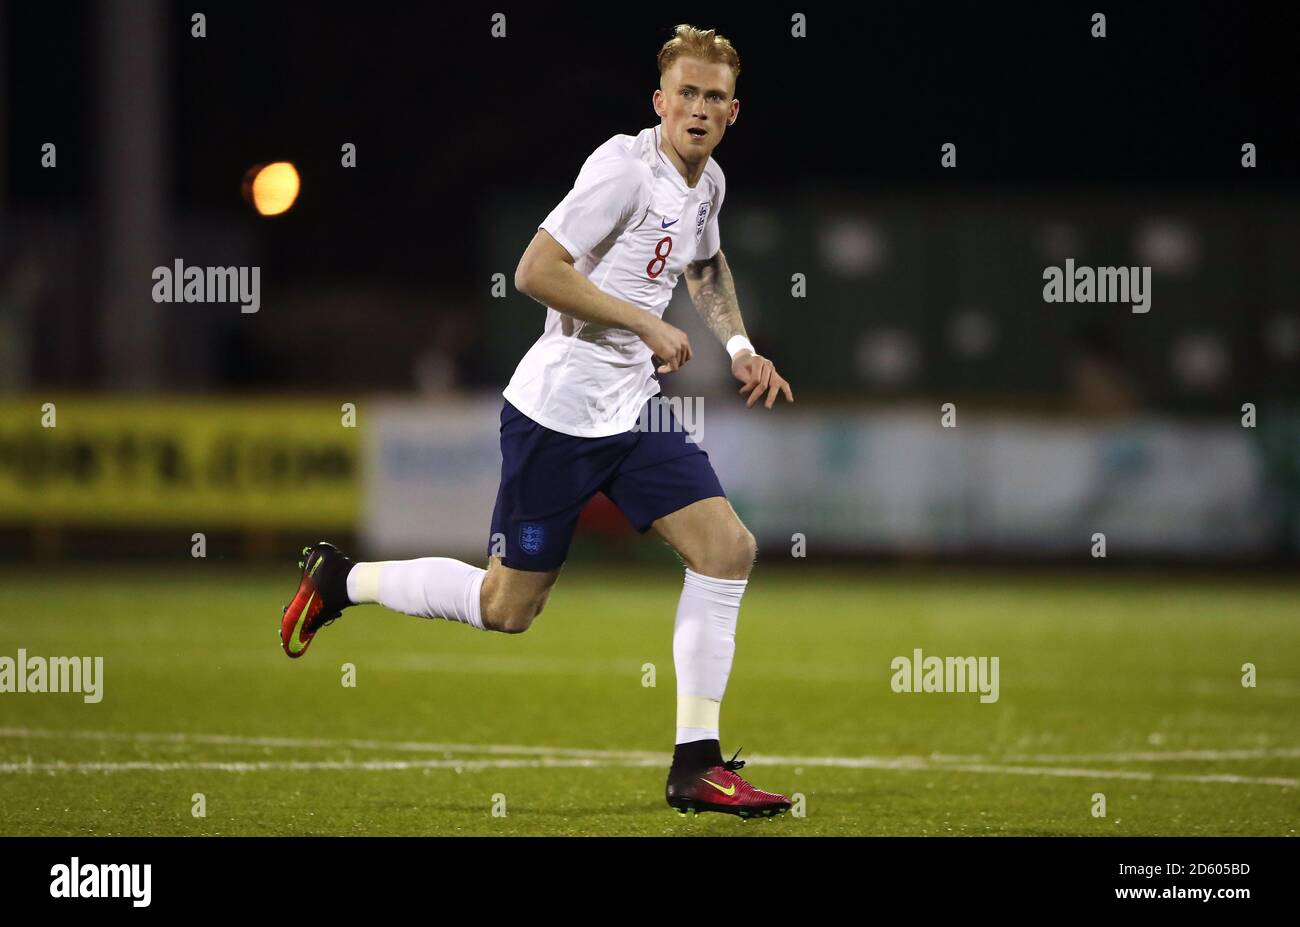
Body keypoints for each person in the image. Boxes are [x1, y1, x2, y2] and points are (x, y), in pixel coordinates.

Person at [280, 23, 794, 819]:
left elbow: (703, 262)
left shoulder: (709, 184)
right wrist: (646, 324)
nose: (698, 108)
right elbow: (534, 270)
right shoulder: (622, 169)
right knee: (507, 609)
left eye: (714, 97)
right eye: (686, 94)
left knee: (728, 548)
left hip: (631, 408)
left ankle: (696, 765)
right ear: (660, 102)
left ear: (734, 112)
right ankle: (343, 579)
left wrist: (737, 344)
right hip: (556, 414)